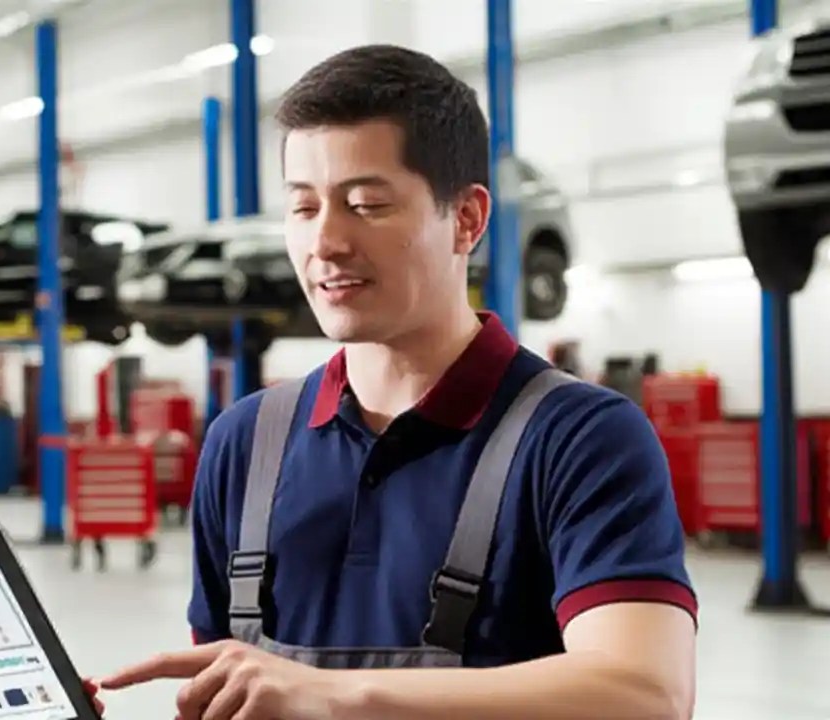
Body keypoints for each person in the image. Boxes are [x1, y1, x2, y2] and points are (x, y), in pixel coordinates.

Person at [100, 44, 697, 719]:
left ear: (466, 219)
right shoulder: (246, 445)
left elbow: (645, 695)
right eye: (303, 209)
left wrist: (332, 695)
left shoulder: (579, 440)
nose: (325, 242)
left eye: (365, 204)